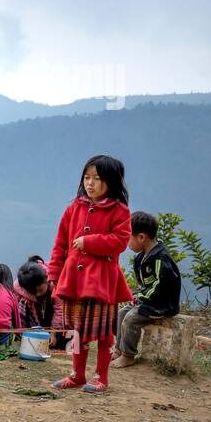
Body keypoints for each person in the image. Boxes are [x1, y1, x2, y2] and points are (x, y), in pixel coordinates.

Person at [47, 155, 134, 393]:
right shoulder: (73, 208)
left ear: (112, 182)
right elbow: (61, 244)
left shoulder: (120, 211)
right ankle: (77, 374)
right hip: (74, 281)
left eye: (97, 178)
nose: (90, 183)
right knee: (76, 329)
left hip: (101, 282)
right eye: (87, 177)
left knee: (104, 331)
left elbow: (120, 242)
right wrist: (54, 273)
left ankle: (101, 377)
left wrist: (89, 242)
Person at [112, 210, 182, 368]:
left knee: (131, 318)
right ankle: (118, 349)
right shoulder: (141, 257)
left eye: (128, 237)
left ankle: (128, 354)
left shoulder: (160, 259)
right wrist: (138, 295)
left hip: (162, 304)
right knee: (122, 312)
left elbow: (161, 285)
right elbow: (144, 285)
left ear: (141, 237)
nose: (126, 242)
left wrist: (141, 297)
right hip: (149, 301)